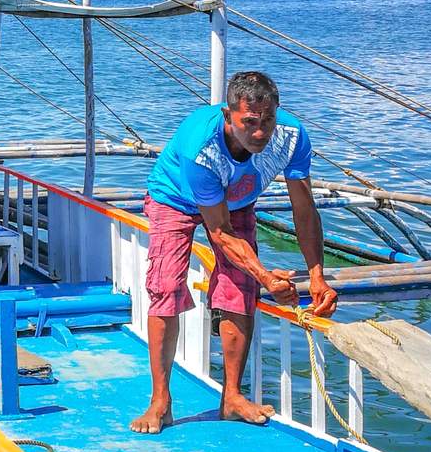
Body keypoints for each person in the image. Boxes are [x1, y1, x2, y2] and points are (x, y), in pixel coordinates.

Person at [129, 71, 337, 433]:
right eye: (249, 123)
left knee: (240, 286)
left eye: (267, 120)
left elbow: (304, 209)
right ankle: (160, 401)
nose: (260, 133)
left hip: (238, 199)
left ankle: (232, 397)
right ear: (228, 115)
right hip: (175, 198)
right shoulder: (202, 147)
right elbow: (220, 233)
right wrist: (268, 276)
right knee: (166, 287)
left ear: (277, 113)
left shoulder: (292, 136)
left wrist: (316, 276)